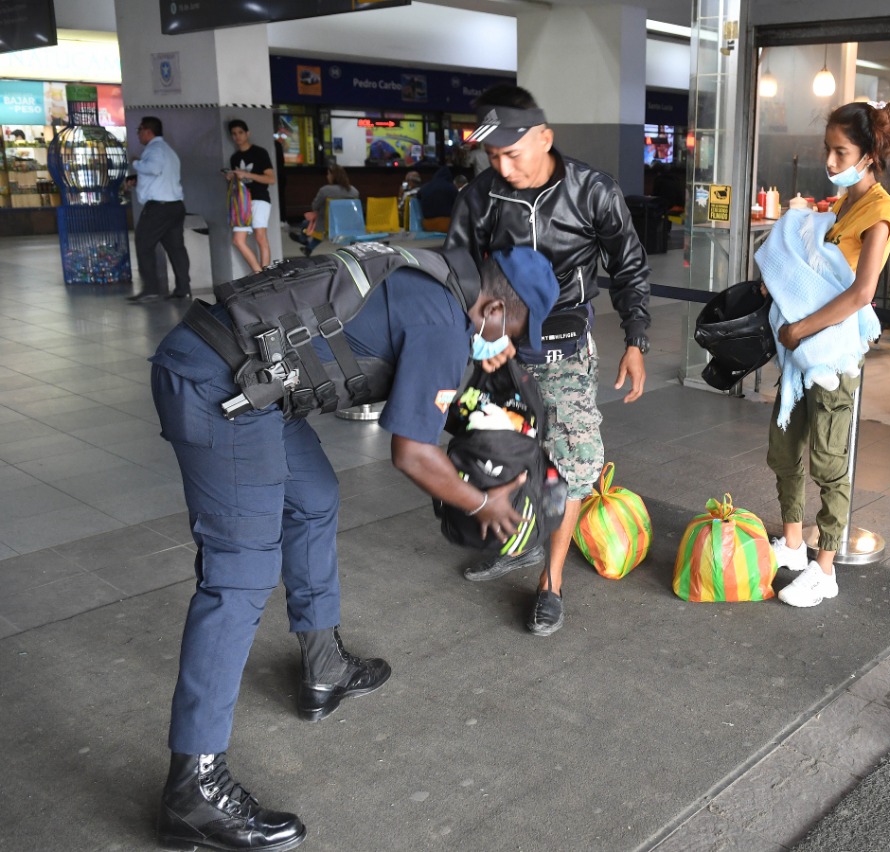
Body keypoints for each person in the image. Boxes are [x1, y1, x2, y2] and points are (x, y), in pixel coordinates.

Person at [149, 244, 559, 851]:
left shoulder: (427, 277)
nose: (502, 350)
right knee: (239, 576)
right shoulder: (444, 321)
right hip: (222, 386)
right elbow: (412, 453)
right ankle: (193, 789)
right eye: (511, 333)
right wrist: (484, 503)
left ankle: (324, 667)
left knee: (313, 496)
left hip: (256, 382)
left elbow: (423, 392)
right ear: (493, 307)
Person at [446, 83, 652, 636]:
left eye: (511, 153)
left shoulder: (593, 192)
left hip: (563, 349)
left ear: (544, 138)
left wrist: (636, 339)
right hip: (498, 354)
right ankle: (516, 543)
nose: (502, 166)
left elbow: (629, 266)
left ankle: (551, 582)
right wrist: (487, 321)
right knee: (500, 457)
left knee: (573, 467)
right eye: (492, 156)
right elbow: (458, 267)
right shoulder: (481, 196)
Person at [763, 101, 890, 607]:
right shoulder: (842, 203)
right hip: (800, 355)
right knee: (784, 449)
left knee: (827, 459)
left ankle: (825, 568)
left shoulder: (878, 210)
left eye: (840, 150)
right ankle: (794, 543)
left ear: (868, 154)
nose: (829, 158)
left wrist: (799, 326)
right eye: (827, 148)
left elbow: (861, 293)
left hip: (832, 356)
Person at [128, 116, 191, 303]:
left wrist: (136, 163)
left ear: (147, 131)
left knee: (143, 244)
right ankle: (183, 288)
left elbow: (154, 169)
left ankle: (151, 289)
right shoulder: (169, 151)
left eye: (139, 130)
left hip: (159, 208)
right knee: (175, 248)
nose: (138, 134)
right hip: (175, 206)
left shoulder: (154, 149)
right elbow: (160, 176)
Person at [226, 119, 276, 273]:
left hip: (259, 198)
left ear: (247, 133)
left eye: (240, 132)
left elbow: (271, 179)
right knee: (238, 240)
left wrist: (247, 174)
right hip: (242, 201)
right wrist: (232, 177)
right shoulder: (234, 158)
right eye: (234, 134)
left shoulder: (260, 153)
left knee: (260, 236)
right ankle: (258, 273)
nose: (237, 136)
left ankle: (266, 274)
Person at [289, 163, 359, 257]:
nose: (327, 176)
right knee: (320, 224)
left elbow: (314, 206)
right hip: (347, 224)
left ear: (333, 176)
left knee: (307, 223)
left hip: (327, 225)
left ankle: (303, 239)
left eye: (328, 174)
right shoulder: (354, 191)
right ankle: (308, 248)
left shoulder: (325, 190)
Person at [418, 165, 459, 232]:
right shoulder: (451, 188)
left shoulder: (425, 187)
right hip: (446, 224)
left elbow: (417, 198)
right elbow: (458, 205)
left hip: (427, 224)